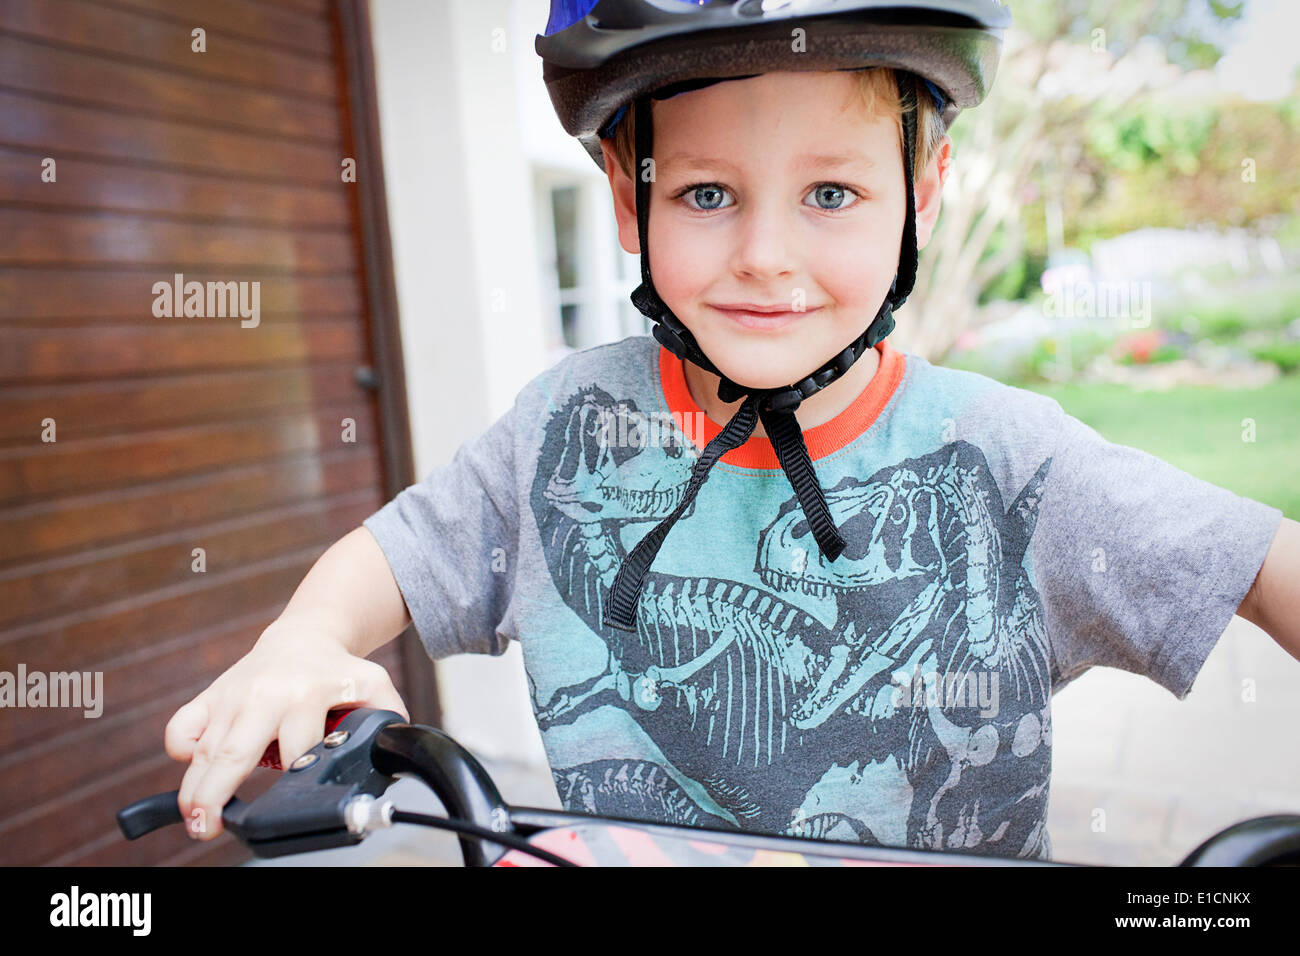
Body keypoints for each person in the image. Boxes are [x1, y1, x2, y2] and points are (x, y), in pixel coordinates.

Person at [165, 0, 1299, 859]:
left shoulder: (1001, 456)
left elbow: (1257, 563)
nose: (764, 254)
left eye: (831, 194)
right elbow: (403, 553)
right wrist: (307, 636)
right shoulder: (567, 432)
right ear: (626, 196)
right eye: (706, 193)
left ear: (923, 191)